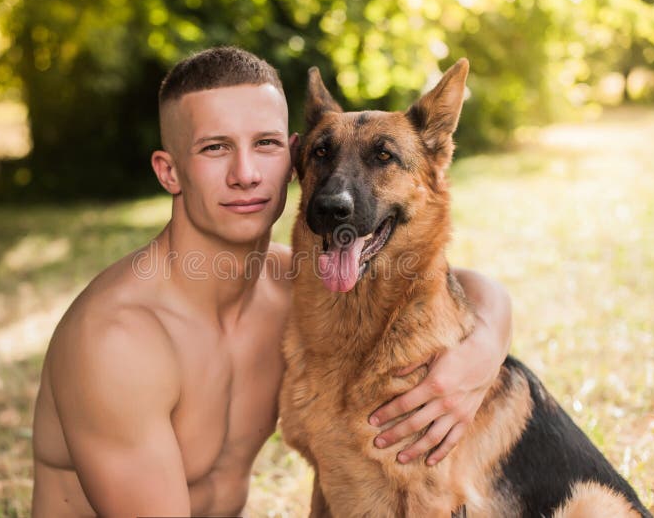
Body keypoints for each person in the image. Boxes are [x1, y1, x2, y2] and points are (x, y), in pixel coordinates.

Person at [31, 47, 512, 517]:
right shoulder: (118, 342)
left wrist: (484, 347)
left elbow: (456, 284)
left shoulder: (297, 284)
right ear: (169, 170)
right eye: (215, 148)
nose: (245, 174)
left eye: (265, 144)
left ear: (293, 156)